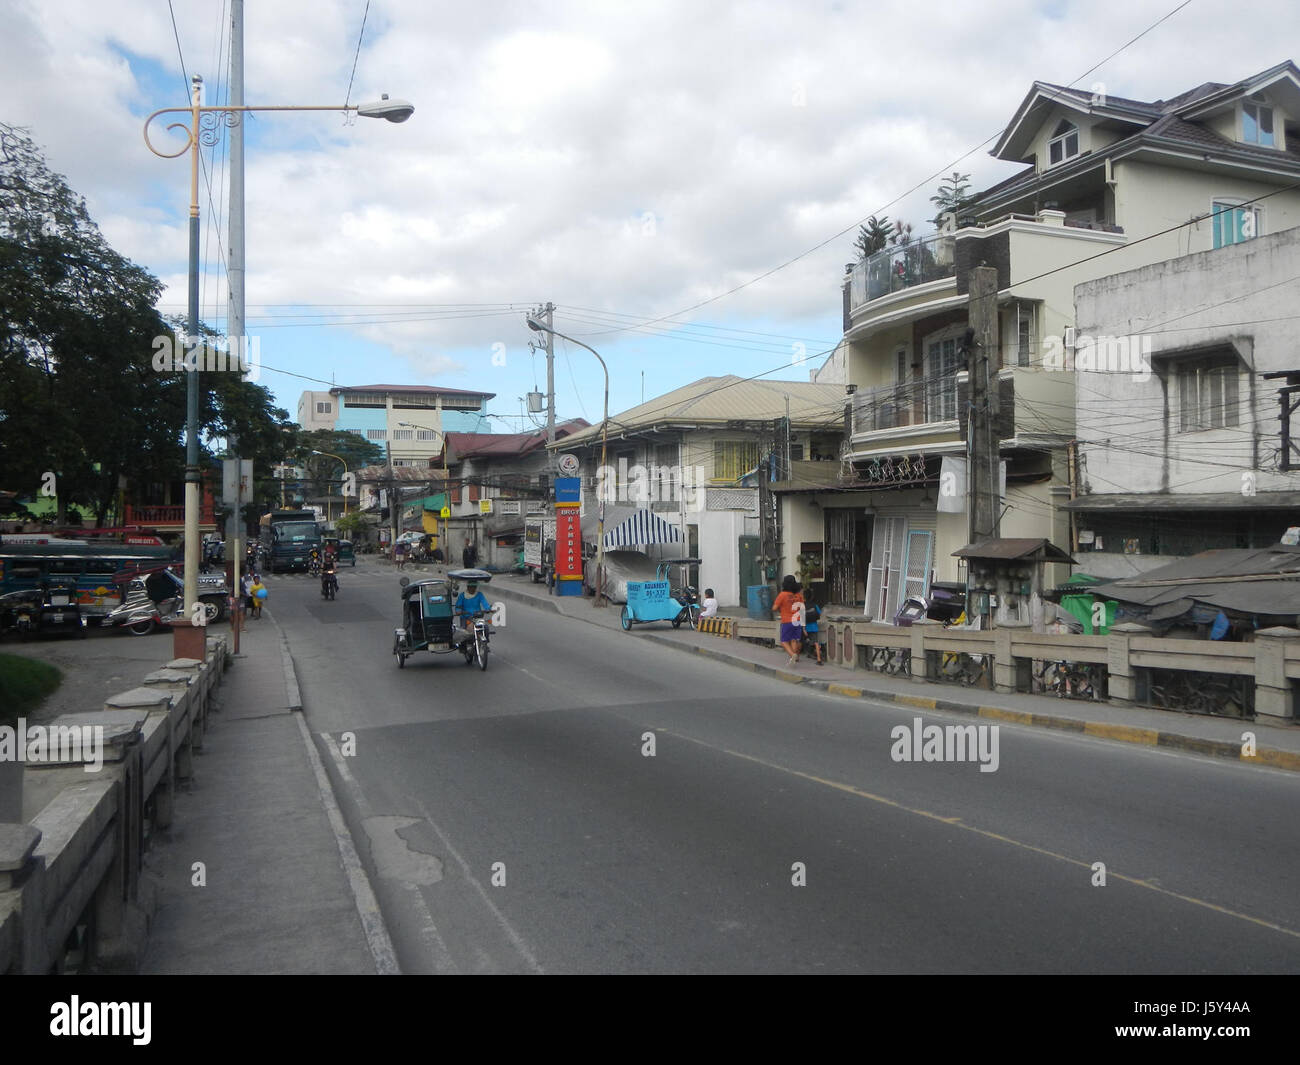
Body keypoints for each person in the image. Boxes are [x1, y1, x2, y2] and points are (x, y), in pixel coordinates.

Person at [772, 574, 805, 667]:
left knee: (784, 641)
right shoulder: (798, 595)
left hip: (787, 620)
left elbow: (774, 608)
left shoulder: (782, 595)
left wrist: (781, 608)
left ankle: (792, 655)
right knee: (794, 640)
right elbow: (802, 608)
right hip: (797, 620)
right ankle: (793, 659)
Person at [454, 579, 492, 646]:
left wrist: (488, 609)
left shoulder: (479, 594)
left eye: (474, 587)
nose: (473, 589)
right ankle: (463, 647)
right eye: (471, 587)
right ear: (468, 587)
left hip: (477, 617)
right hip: (466, 617)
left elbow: (485, 603)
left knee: (485, 628)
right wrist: (458, 611)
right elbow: (458, 606)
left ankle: (485, 643)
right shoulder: (462, 596)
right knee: (463, 633)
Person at [803, 593, 824, 665]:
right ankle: (819, 659)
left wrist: (804, 629)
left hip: (806, 628)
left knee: (801, 641)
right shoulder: (815, 605)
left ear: (804, 598)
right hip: (814, 626)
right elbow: (820, 613)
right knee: (816, 642)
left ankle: (796, 657)